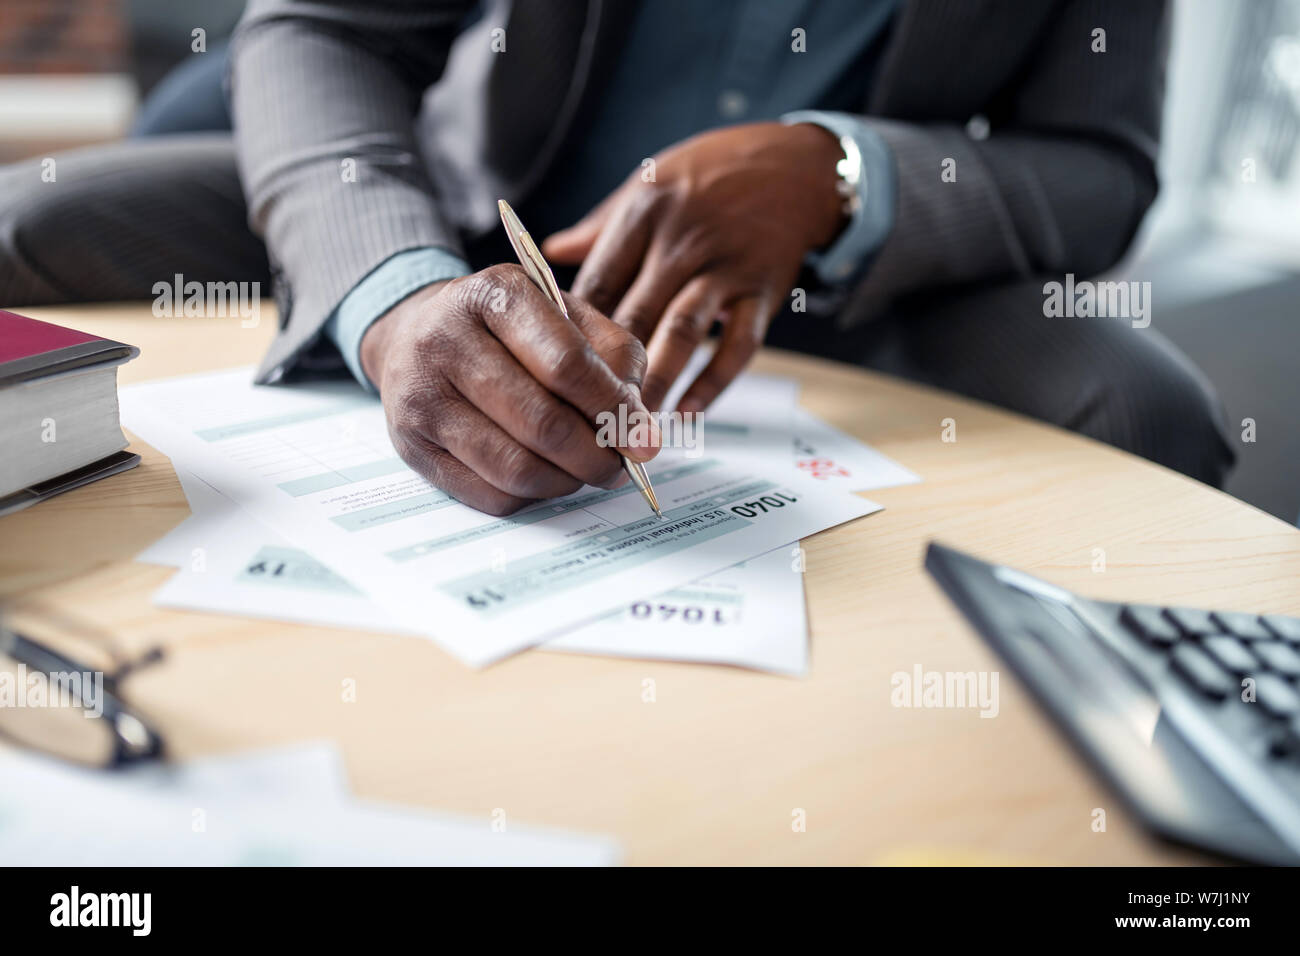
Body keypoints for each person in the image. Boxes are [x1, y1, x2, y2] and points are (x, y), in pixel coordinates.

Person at [0, 0, 1234, 515]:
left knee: (1140, 406)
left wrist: (841, 173)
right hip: (474, 217)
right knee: (34, 224)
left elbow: (1101, 164)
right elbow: (318, 29)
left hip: (856, 288)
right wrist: (397, 298)